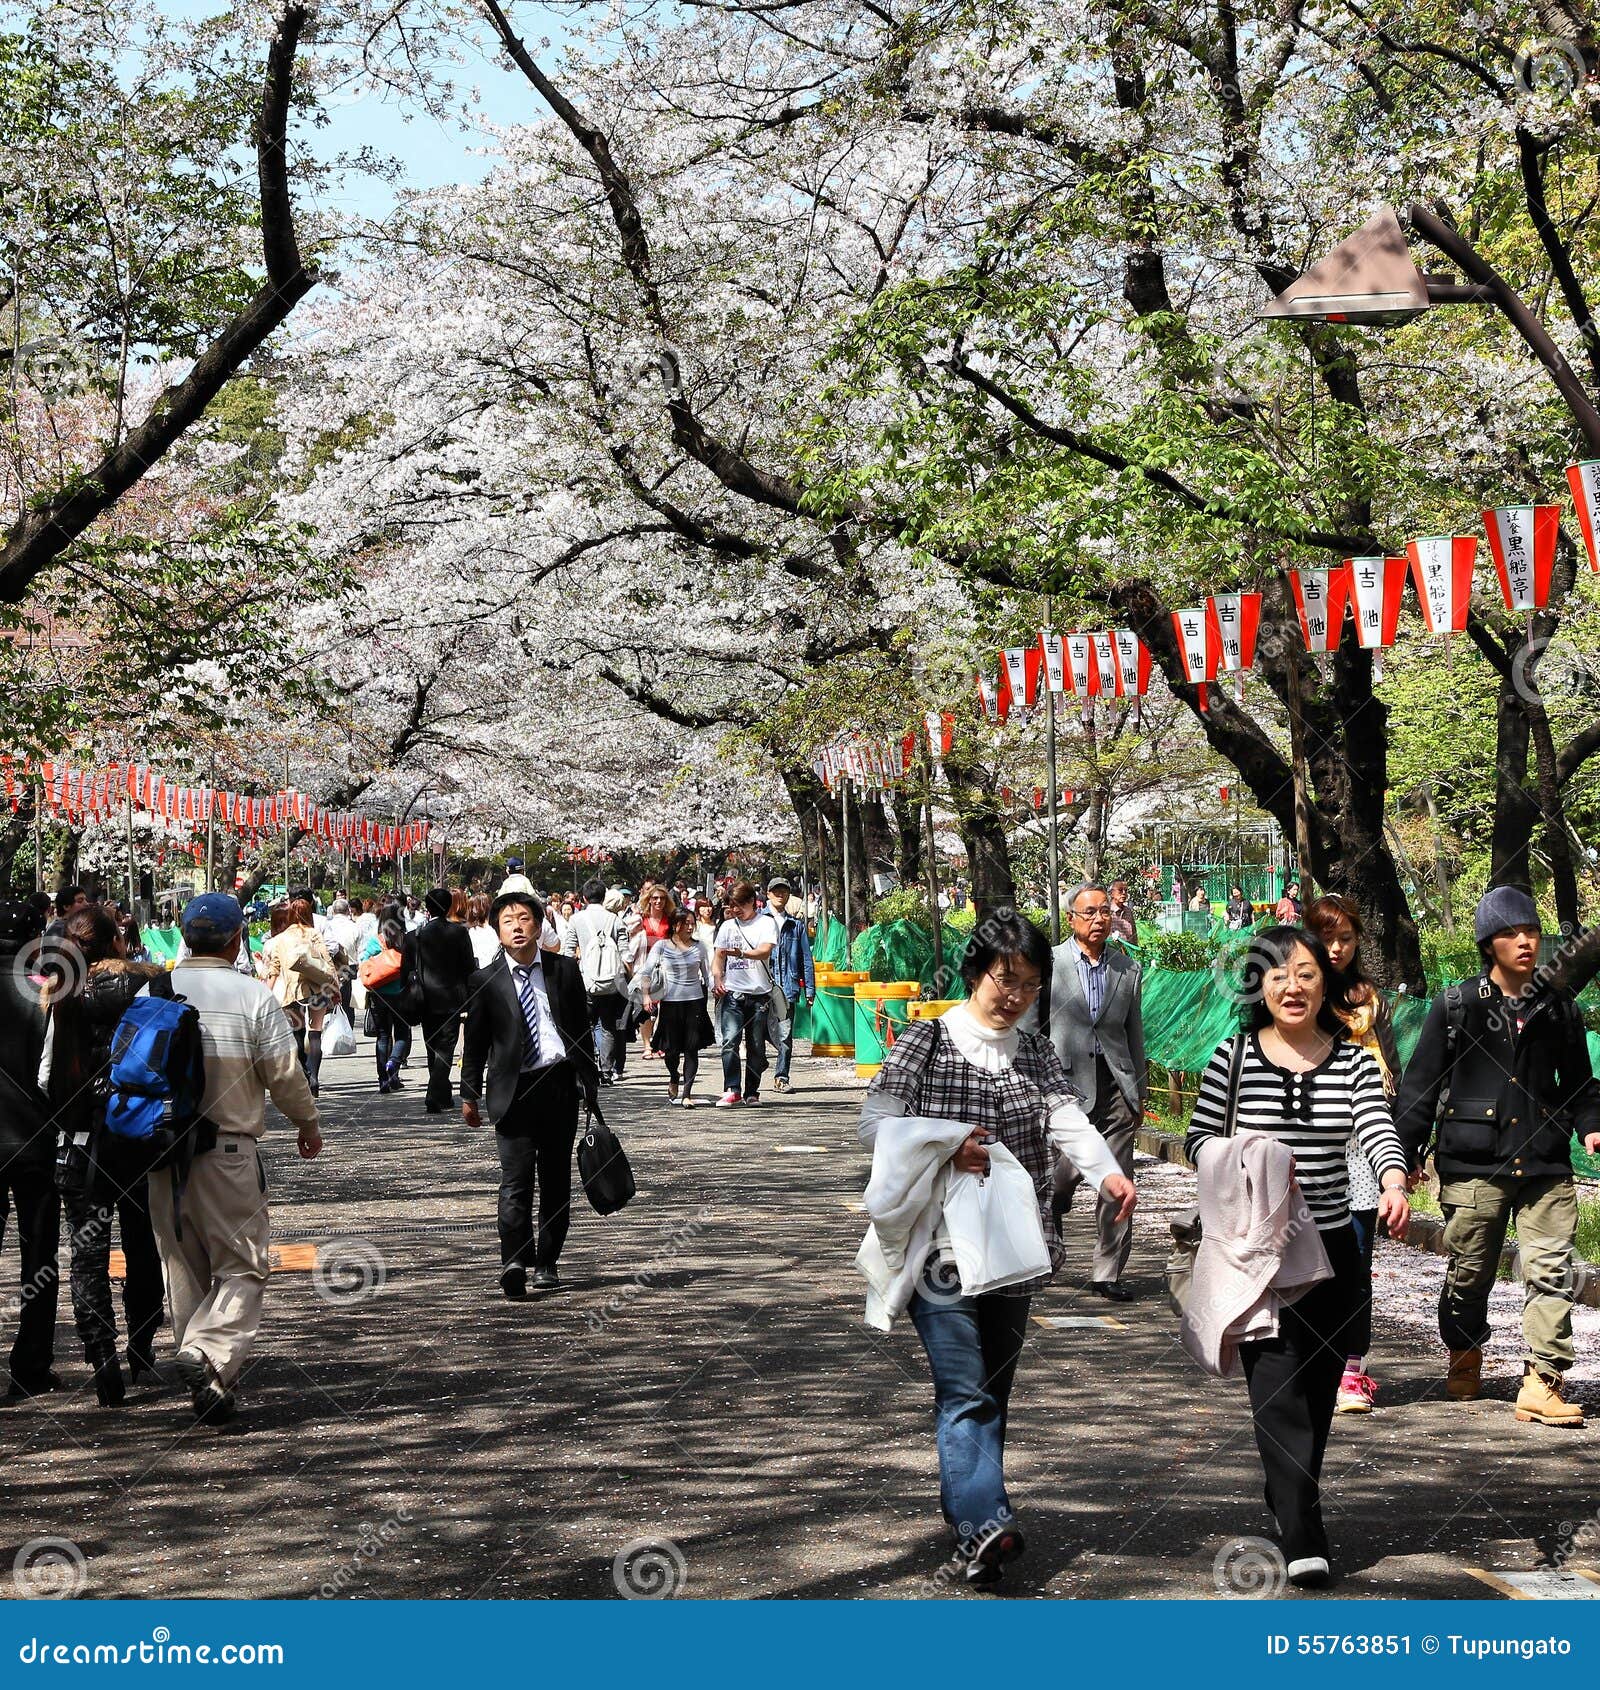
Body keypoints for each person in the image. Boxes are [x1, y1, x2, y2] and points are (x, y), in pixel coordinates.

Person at [859, 911, 1135, 1585]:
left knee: (990, 1393)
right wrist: (948, 1142)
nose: (1014, 996)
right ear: (976, 973)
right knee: (964, 1388)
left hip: (1013, 1246)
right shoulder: (928, 1041)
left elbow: (1066, 1117)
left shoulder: (1035, 1052)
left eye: (1030, 985)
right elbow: (876, 1120)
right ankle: (985, 1520)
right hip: (939, 1251)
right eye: (1004, 979)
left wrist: (1107, 1173)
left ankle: (974, 1524)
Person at [1186, 926, 1409, 1586]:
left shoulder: (1354, 1063)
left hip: (1333, 1253)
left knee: (1314, 1398)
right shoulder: (1233, 1058)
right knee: (1277, 1392)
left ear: (1326, 983)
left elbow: (1375, 1128)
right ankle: (1303, 1529)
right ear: (1260, 983)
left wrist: (1394, 1180)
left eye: (1308, 973)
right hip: (1259, 1253)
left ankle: (1289, 1493)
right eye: (1279, 973)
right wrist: (1242, 1164)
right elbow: (1200, 1136)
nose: (1293, 985)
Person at [1396, 886, 1600, 1428]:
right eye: (1511, 932)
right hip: (1473, 1164)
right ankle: (1463, 1348)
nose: (1525, 941)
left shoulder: (1559, 1009)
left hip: (1544, 1160)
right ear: (1489, 943)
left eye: (1531, 931)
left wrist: (1591, 1127)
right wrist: (1403, 1157)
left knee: (1551, 1270)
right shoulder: (1458, 1004)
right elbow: (1420, 1087)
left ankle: (1544, 1381)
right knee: (1470, 1271)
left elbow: (1580, 1084)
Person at [159, 895, 322, 1424]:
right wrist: (307, 1122)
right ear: (235, 941)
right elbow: (283, 1073)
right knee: (245, 1266)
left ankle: (207, 1386)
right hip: (226, 1152)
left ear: (184, 936)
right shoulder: (251, 995)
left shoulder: (154, 989)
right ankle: (206, 1353)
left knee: (182, 1266)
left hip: (158, 1152)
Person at [38, 905, 168, 1406]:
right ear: (118, 942)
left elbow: (45, 1075)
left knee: (87, 1254)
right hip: (136, 1135)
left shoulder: (58, 993)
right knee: (141, 1243)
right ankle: (143, 1345)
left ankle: (102, 1359)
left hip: (78, 1144)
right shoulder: (147, 986)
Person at [461, 889, 600, 1297]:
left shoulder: (563, 971)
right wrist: (469, 1093)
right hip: (513, 1091)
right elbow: (475, 1043)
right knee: (515, 1181)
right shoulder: (483, 981)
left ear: (539, 927)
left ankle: (548, 1260)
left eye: (524, 919)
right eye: (508, 921)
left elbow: (579, 1030)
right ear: (497, 931)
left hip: (557, 1084)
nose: (517, 927)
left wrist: (588, 1082)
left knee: (556, 1179)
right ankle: (515, 1259)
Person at [1304, 894, 1400, 1415]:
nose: (1336, 948)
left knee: (1355, 1259)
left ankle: (1351, 1369)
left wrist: (1400, 1161)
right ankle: (1304, 1356)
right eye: (1327, 938)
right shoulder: (1294, 993)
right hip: (1306, 1143)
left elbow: (1395, 1073)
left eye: (1345, 938)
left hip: (1362, 1146)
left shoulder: (1369, 999)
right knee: (1301, 1256)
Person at [1042, 882, 1147, 1301]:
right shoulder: (1049, 965)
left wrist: (1138, 1089)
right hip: (1065, 1085)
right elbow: (1033, 1030)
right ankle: (1055, 1203)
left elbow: (1134, 1034)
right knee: (1063, 1169)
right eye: (1090, 913)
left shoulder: (1127, 969)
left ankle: (1107, 1272)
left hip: (1117, 1084)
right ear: (1072, 918)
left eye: (1105, 911)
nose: (1100, 919)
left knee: (1116, 1179)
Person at [0, 900, 61, 1403]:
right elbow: (58, 1073)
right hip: (35, 1139)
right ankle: (31, 1363)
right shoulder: (45, 993)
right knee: (38, 1253)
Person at [401, 886, 479, 1114]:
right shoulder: (459, 933)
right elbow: (468, 967)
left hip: (425, 997)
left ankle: (441, 1093)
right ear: (450, 906)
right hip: (452, 997)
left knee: (432, 1045)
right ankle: (435, 1093)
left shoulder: (415, 935)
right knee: (446, 1047)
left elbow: (405, 970)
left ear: (428, 907)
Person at [259, 896, 338, 1096]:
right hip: (317, 989)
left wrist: (265, 994)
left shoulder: (281, 939)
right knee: (315, 1032)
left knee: (297, 1032)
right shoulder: (313, 933)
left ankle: (304, 1071)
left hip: (292, 991)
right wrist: (335, 988)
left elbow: (274, 969)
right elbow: (327, 962)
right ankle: (315, 1078)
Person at [711, 881, 778, 1107]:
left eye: (740, 904)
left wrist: (740, 953)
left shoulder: (766, 923)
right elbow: (718, 957)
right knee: (729, 1041)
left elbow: (764, 951)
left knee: (756, 1045)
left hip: (759, 995)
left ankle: (752, 1092)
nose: (736, 909)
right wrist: (718, 979)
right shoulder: (727, 926)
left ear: (752, 902)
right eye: (732, 905)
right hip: (733, 993)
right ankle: (732, 1088)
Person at [561, 879, 633, 1083]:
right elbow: (625, 953)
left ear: (584, 898)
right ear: (603, 897)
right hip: (611, 981)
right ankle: (607, 1070)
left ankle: (586, 1067)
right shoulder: (615, 920)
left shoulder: (576, 920)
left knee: (584, 1024)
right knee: (607, 1025)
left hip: (585, 980)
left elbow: (568, 952)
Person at [642, 905, 714, 1105]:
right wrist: (646, 995)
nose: (690, 928)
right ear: (675, 925)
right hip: (671, 1003)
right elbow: (647, 972)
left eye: (693, 923)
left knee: (692, 1049)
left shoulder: (699, 947)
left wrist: (716, 990)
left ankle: (687, 1094)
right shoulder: (662, 946)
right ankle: (674, 1076)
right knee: (671, 1050)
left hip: (695, 1003)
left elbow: (707, 975)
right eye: (686, 924)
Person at [767, 876, 816, 1094]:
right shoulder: (758, 921)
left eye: (784, 891)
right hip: (761, 988)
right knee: (758, 1034)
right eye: (776, 891)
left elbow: (806, 957)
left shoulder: (796, 926)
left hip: (788, 987)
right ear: (768, 894)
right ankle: (759, 1062)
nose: (780, 894)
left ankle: (781, 1077)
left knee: (785, 1035)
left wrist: (810, 990)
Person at [360, 911, 412, 1093]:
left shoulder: (377, 941)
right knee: (402, 1034)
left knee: (382, 1036)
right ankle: (394, 1063)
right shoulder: (406, 941)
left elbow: (363, 961)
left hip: (379, 995)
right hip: (401, 995)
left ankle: (383, 1080)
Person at [629, 885, 676, 1059]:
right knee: (646, 1007)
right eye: (655, 898)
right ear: (648, 900)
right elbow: (628, 939)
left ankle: (661, 1042)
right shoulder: (640, 920)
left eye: (662, 899)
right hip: (645, 967)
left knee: (666, 1008)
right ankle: (647, 1045)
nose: (658, 902)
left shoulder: (670, 920)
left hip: (666, 968)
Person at [324, 896, 361, 1019]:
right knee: (347, 1003)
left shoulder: (327, 926)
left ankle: (331, 1031)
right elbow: (360, 950)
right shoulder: (355, 927)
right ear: (348, 911)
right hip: (349, 967)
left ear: (333, 911)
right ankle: (348, 1030)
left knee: (329, 1002)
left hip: (330, 966)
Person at [467, 894, 501, 969]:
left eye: (474, 906)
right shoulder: (472, 931)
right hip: (482, 971)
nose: (472, 910)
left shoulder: (497, 928)